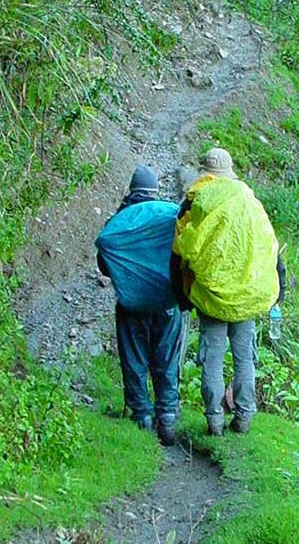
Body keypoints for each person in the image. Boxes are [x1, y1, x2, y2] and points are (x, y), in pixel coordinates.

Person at [170, 148, 285, 436]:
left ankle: (214, 420)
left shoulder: (197, 199)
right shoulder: (247, 198)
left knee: (212, 357)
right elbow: (267, 243)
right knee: (245, 357)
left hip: (212, 296)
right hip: (246, 296)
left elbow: (180, 247)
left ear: (204, 171)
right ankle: (244, 417)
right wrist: (278, 287)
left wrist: (181, 295)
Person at [97, 165, 183, 446]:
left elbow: (104, 265)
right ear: (155, 190)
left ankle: (142, 416)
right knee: (167, 358)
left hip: (131, 304)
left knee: (134, 360)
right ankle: (167, 417)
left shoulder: (120, 219)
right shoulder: (168, 215)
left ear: (132, 191)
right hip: (167, 303)